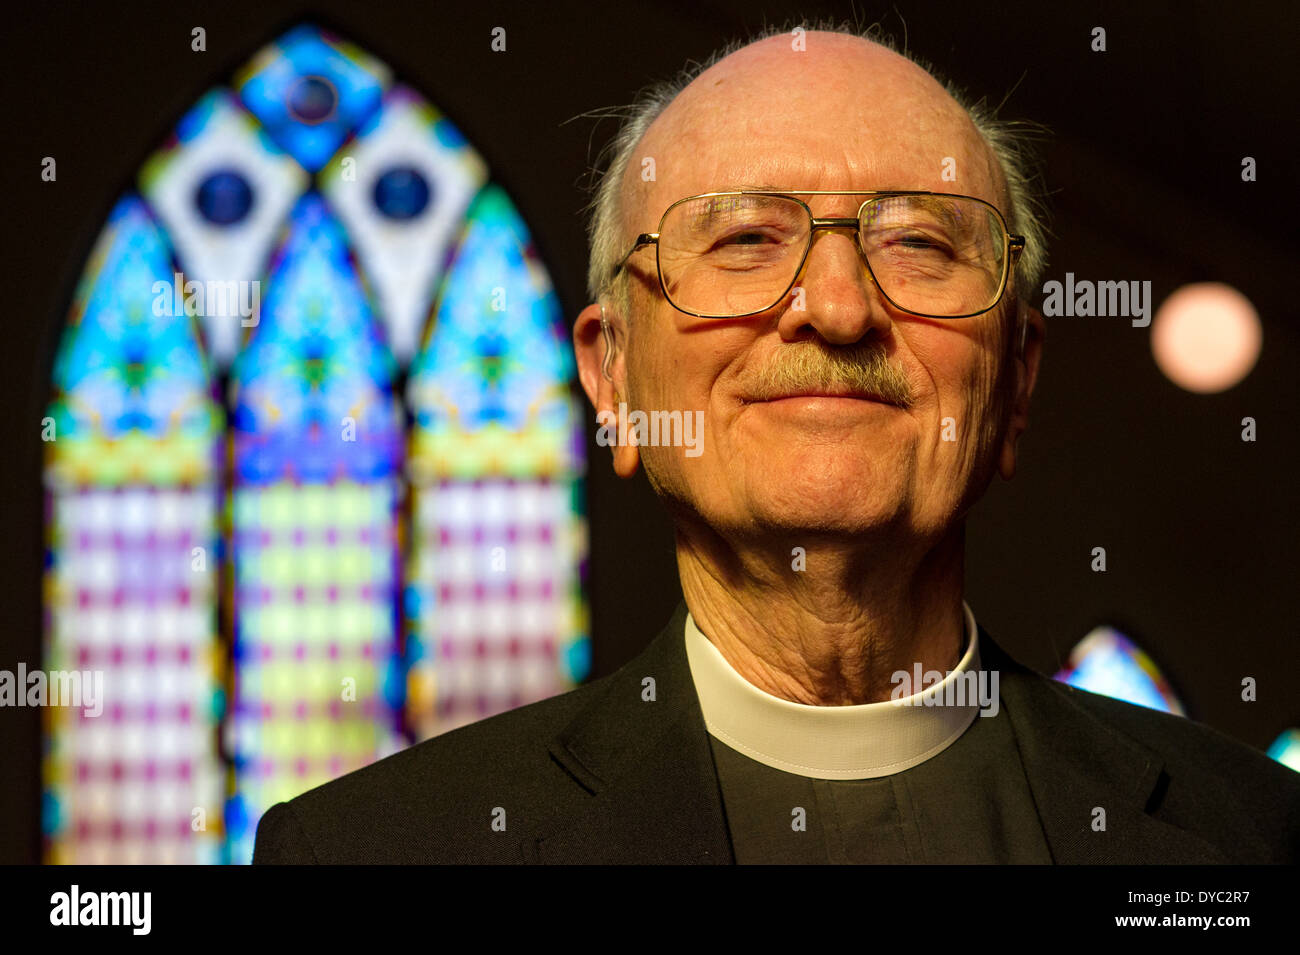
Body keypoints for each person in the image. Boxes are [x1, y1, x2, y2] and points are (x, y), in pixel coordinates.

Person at [253, 24, 1299, 864]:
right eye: (744, 239)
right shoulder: (378, 850)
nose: (836, 308)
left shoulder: (1251, 836)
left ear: (1016, 378)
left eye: (920, 244)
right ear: (612, 376)